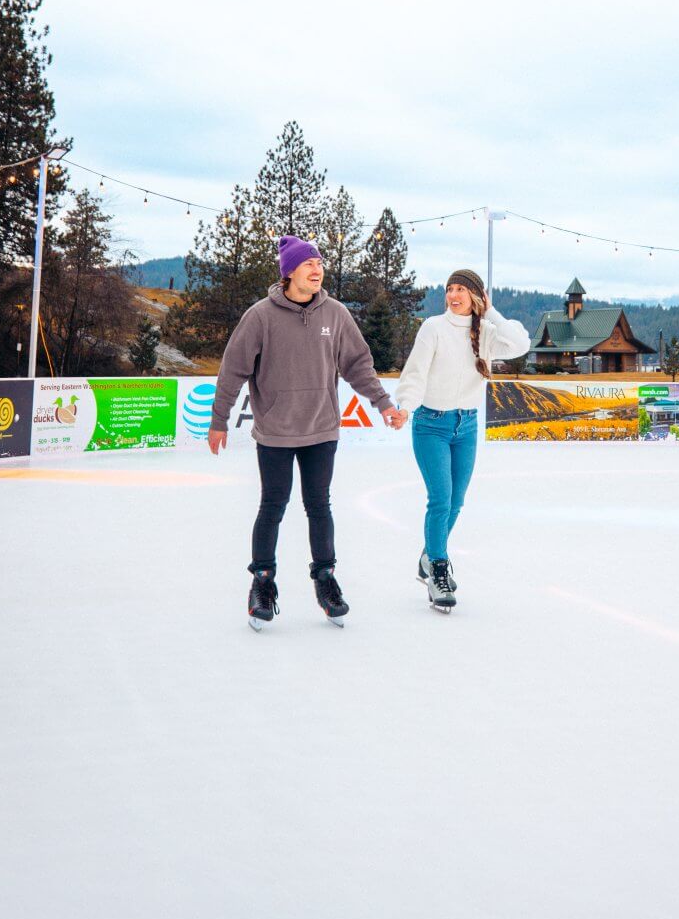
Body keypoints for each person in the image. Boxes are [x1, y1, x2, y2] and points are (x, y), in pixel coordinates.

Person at [207, 235, 404, 629]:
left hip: (321, 429)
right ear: (289, 272)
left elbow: (358, 365)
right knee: (273, 506)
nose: (318, 270)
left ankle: (325, 579)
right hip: (276, 431)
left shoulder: (336, 314)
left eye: (320, 263)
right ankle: (262, 582)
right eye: (309, 264)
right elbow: (233, 370)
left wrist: (383, 402)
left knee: (319, 505)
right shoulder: (260, 316)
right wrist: (219, 420)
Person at [394, 268, 530, 610]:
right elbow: (415, 372)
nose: (454, 295)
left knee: (456, 502)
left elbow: (520, 344)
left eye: (461, 290)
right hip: (431, 424)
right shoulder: (433, 328)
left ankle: (429, 555)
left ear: (475, 296)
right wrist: (405, 407)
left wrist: (491, 311)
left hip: (466, 425)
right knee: (440, 498)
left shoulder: (485, 332)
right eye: (450, 289)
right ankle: (438, 569)